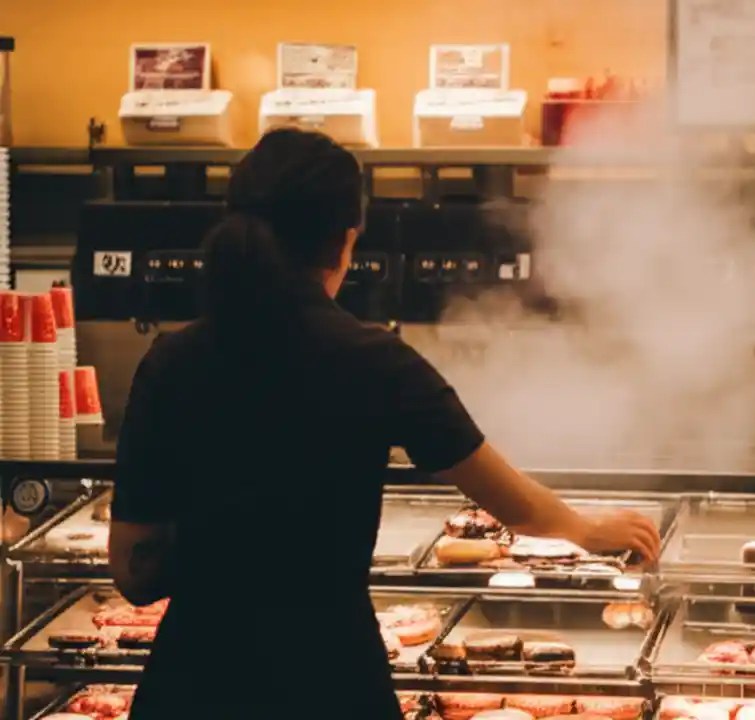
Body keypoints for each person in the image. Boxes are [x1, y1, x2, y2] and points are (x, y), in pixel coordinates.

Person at [107, 128, 660, 719]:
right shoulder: (373, 359)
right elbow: (509, 501)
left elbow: (133, 571)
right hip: (331, 682)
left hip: (193, 687)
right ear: (347, 240)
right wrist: (586, 530)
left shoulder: (169, 361)